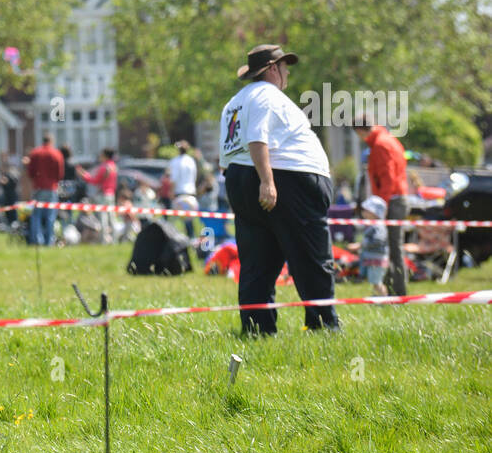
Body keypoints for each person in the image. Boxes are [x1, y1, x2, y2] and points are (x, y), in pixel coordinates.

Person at [219, 43, 340, 335]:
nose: (287, 73)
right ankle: (323, 326)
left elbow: (227, 155)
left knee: (256, 263)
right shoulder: (267, 95)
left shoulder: (235, 102)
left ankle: (257, 329)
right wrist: (267, 181)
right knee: (311, 259)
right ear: (273, 69)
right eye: (285, 67)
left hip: (240, 177)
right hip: (287, 181)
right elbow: (256, 138)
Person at [351, 115, 409, 296]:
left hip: (391, 201)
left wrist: (379, 208)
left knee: (392, 249)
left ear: (360, 131)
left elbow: (387, 179)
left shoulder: (380, 145)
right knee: (391, 248)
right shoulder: (387, 139)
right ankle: (389, 293)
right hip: (394, 199)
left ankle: (397, 294)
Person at [25, 133, 64, 246]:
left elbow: (30, 171)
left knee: (36, 215)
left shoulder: (35, 153)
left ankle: (37, 240)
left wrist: (36, 180)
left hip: (38, 188)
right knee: (50, 216)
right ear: (51, 141)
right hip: (51, 188)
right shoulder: (56, 153)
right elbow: (60, 173)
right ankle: (49, 241)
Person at [77, 148, 118, 243]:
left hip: (103, 194)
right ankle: (114, 240)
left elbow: (95, 180)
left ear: (105, 156)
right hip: (111, 194)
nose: (100, 156)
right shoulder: (113, 166)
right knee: (112, 218)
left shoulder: (104, 167)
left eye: (101, 155)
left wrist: (83, 175)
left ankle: (103, 240)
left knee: (102, 218)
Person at [356, 194, 389, 295]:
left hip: (377, 259)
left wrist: (361, 244)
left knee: (377, 283)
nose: (364, 213)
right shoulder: (373, 225)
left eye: (367, 210)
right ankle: (377, 299)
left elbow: (378, 240)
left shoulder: (378, 226)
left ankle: (384, 300)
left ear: (375, 212)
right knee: (375, 283)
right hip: (373, 259)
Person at [168, 140, 199, 240]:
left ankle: (177, 240)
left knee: (173, 221)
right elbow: (194, 177)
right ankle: (192, 239)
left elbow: (174, 179)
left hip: (179, 193)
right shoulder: (191, 161)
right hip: (191, 194)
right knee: (189, 221)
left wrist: (171, 192)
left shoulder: (175, 161)